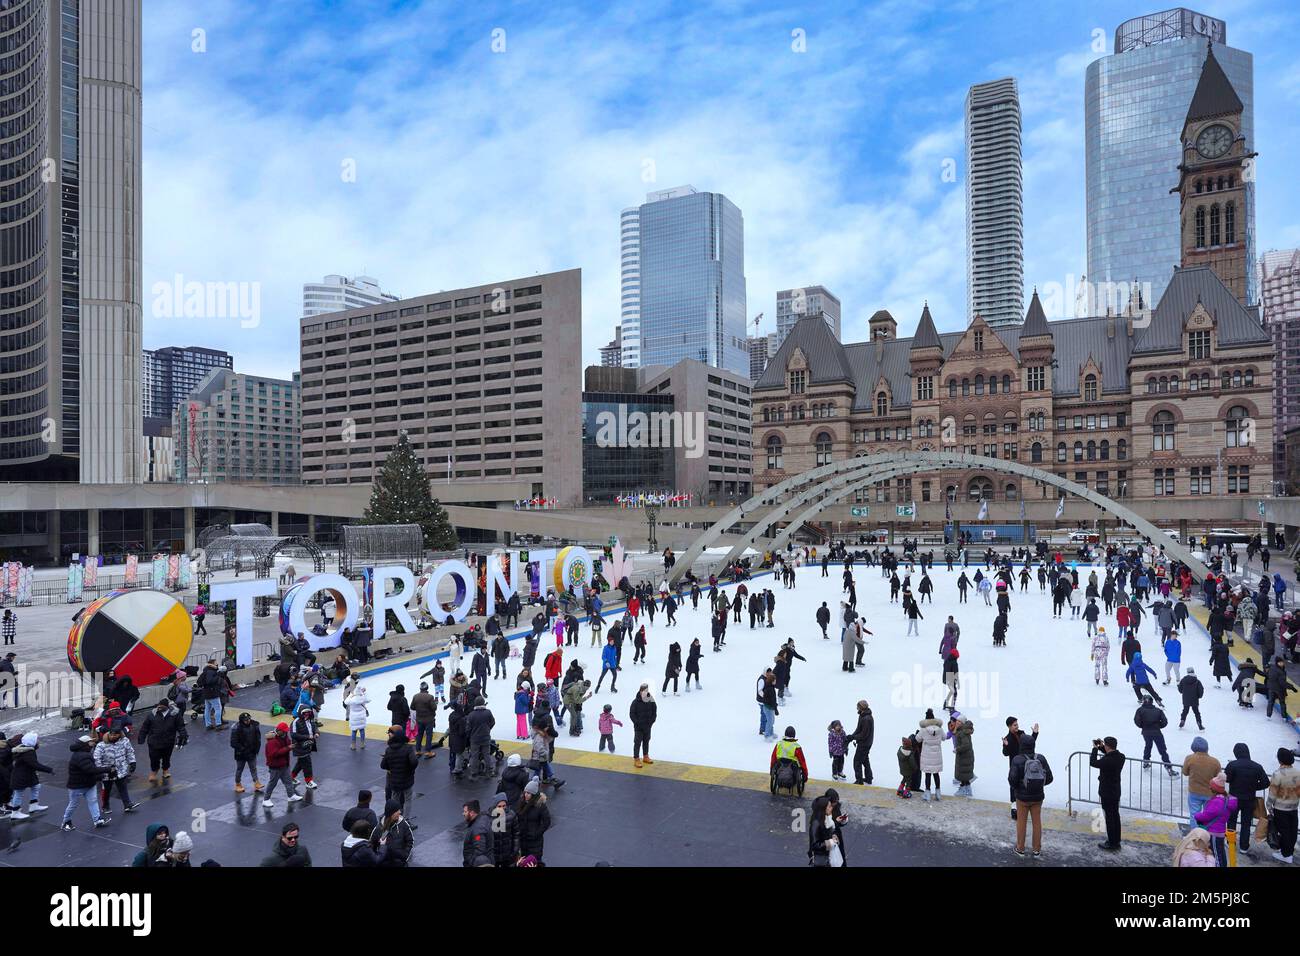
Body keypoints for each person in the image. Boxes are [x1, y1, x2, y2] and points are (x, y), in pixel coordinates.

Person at [1008, 733, 1053, 858]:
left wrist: (1019, 788)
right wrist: (1038, 785)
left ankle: (1020, 848)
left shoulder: (1017, 759)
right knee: (1037, 822)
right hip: (1038, 797)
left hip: (1022, 798)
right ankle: (1036, 849)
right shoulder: (1041, 758)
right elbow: (1049, 778)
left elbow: (1012, 780)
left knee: (1021, 822)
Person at [1224, 743, 1270, 858]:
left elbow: (1227, 779)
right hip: (1249, 799)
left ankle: (1231, 842)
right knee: (1246, 823)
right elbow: (1266, 782)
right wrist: (1254, 786)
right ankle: (1244, 846)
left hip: (1234, 798)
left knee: (1231, 820)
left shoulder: (1232, 765)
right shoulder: (1257, 766)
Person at [60, 735, 108, 831]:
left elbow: (88, 771)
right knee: (74, 803)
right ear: (85, 744)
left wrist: (99, 776)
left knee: (91, 801)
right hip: (78, 785)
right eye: (90, 742)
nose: (93, 743)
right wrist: (107, 770)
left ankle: (97, 819)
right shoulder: (81, 756)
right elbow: (90, 770)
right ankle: (66, 821)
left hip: (86, 783)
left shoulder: (83, 754)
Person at [92, 729, 138, 817]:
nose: (113, 736)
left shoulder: (125, 741)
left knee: (123, 787)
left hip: (121, 770)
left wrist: (132, 762)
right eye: (111, 734)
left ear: (119, 735)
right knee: (107, 790)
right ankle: (105, 806)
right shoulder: (101, 745)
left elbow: (130, 752)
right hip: (107, 772)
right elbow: (97, 759)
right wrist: (102, 771)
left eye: (115, 735)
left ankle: (127, 804)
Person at [1090, 737, 1125, 851]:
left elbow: (1093, 762)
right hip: (1116, 791)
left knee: (1109, 817)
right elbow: (1110, 754)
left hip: (1106, 792)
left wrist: (1095, 749)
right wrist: (1101, 746)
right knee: (1115, 815)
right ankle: (1116, 840)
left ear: (1108, 746)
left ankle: (1111, 843)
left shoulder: (1107, 760)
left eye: (1105, 744)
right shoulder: (1121, 757)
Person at [1193, 774, 1237, 867]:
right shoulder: (1225, 799)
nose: (1209, 787)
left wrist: (1197, 815)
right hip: (1219, 830)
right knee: (1220, 852)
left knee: (1216, 854)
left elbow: (1206, 815)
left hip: (1214, 832)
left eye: (1211, 786)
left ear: (1215, 788)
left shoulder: (1217, 802)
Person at [137, 698, 184, 784]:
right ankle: (154, 772)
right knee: (154, 757)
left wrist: (183, 735)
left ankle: (165, 770)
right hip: (154, 741)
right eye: (159, 706)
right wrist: (141, 737)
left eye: (161, 707)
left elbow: (181, 726)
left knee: (166, 757)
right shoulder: (152, 714)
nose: (159, 708)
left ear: (167, 707)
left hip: (168, 741)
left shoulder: (175, 715)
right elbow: (145, 727)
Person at [1181, 737, 1222, 831]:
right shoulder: (1215, 762)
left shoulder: (1189, 758)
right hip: (1210, 793)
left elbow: (1185, 772)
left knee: (1194, 814)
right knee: (1209, 815)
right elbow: (1218, 777)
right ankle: (1207, 834)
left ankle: (1195, 836)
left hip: (1194, 792)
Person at [1267, 747, 1298, 864]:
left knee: (1284, 831)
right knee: (1292, 830)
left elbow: (1272, 793)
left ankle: (1286, 854)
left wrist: (1269, 806)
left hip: (1281, 808)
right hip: (1294, 807)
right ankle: (1288, 851)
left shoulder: (1277, 774)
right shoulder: (1298, 773)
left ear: (1280, 760)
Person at [380, 726, 419, 814]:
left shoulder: (389, 750)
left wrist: (390, 767)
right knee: (408, 799)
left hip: (394, 780)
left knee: (395, 799)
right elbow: (414, 762)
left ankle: (394, 818)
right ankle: (406, 820)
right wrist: (411, 770)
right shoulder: (408, 748)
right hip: (407, 779)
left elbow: (383, 765)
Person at [262, 722, 301, 808]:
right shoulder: (272, 742)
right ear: (279, 731)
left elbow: (287, 744)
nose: (286, 732)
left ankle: (291, 796)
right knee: (272, 783)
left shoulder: (284, 737)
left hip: (284, 764)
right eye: (284, 731)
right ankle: (266, 800)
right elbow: (274, 754)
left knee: (288, 781)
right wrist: (288, 748)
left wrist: (292, 745)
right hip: (275, 766)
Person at [517, 778, 552, 865]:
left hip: (535, 842)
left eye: (528, 793)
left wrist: (536, 833)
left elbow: (547, 821)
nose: (526, 795)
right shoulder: (522, 802)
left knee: (534, 862)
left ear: (533, 794)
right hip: (523, 839)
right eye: (525, 792)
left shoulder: (540, 805)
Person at [373, 798, 415, 867]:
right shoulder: (378, 829)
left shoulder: (403, 824)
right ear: (391, 813)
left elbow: (410, 841)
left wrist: (405, 856)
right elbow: (372, 847)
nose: (400, 812)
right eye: (397, 810)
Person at [229, 712, 262, 794]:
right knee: (240, 769)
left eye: (249, 719)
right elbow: (233, 743)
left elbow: (258, 738)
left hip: (251, 752)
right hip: (241, 753)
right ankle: (238, 783)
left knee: (253, 768)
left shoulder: (254, 726)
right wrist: (242, 749)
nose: (248, 721)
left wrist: (256, 748)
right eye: (246, 720)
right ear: (242, 720)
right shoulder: (236, 728)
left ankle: (256, 782)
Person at [808, 794, 844, 867]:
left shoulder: (827, 818)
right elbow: (814, 845)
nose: (832, 808)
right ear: (824, 808)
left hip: (828, 857)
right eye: (830, 806)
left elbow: (829, 832)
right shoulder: (816, 824)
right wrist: (831, 842)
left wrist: (833, 835)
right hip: (821, 860)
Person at [916, 709, 944, 801]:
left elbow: (917, 739)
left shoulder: (923, 730)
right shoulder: (939, 729)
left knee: (928, 775)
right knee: (936, 774)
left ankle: (927, 794)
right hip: (937, 757)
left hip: (927, 756)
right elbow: (944, 738)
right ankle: (938, 793)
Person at [629, 684, 657, 768]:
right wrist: (637, 722)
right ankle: (636, 759)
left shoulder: (651, 700)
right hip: (639, 727)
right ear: (640, 691)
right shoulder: (635, 702)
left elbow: (654, 711)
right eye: (644, 691)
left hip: (648, 726)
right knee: (637, 742)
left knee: (646, 741)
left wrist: (651, 721)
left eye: (647, 690)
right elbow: (632, 714)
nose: (645, 692)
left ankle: (645, 756)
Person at [847, 699, 874, 786]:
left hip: (864, 744)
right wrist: (852, 736)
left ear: (861, 708)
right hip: (866, 742)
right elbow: (858, 729)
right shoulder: (862, 715)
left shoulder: (866, 718)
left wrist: (853, 737)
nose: (856, 708)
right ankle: (869, 778)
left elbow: (863, 734)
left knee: (857, 761)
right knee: (865, 760)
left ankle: (859, 781)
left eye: (857, 707)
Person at [462, 799, 494, 867]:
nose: (463, 814)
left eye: (465, 812)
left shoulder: (478, 830)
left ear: (472, 813)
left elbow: (479, 851)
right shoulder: (483, 818)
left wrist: (470, 862)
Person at [410, 682, 438, 757]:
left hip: (419, 719)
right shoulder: (430, 697)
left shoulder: (415, 696)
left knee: (419, 735)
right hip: (429, 719)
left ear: (420, 688)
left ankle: (418, 750)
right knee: (429, 735)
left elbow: (412, 707)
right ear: (427, 688)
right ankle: (428, 751)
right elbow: (434, 708)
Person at [952, 716, 975, 796]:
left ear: (962, 723)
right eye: (957, 721)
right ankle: (968, 789)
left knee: (963, 774)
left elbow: (966, 745)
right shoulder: (962, 731)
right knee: (964, 774)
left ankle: (963, 789)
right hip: (966, 756)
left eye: (959, 722)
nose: (957, 723)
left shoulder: (962, 733)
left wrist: (957, 749)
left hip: (964, 756)